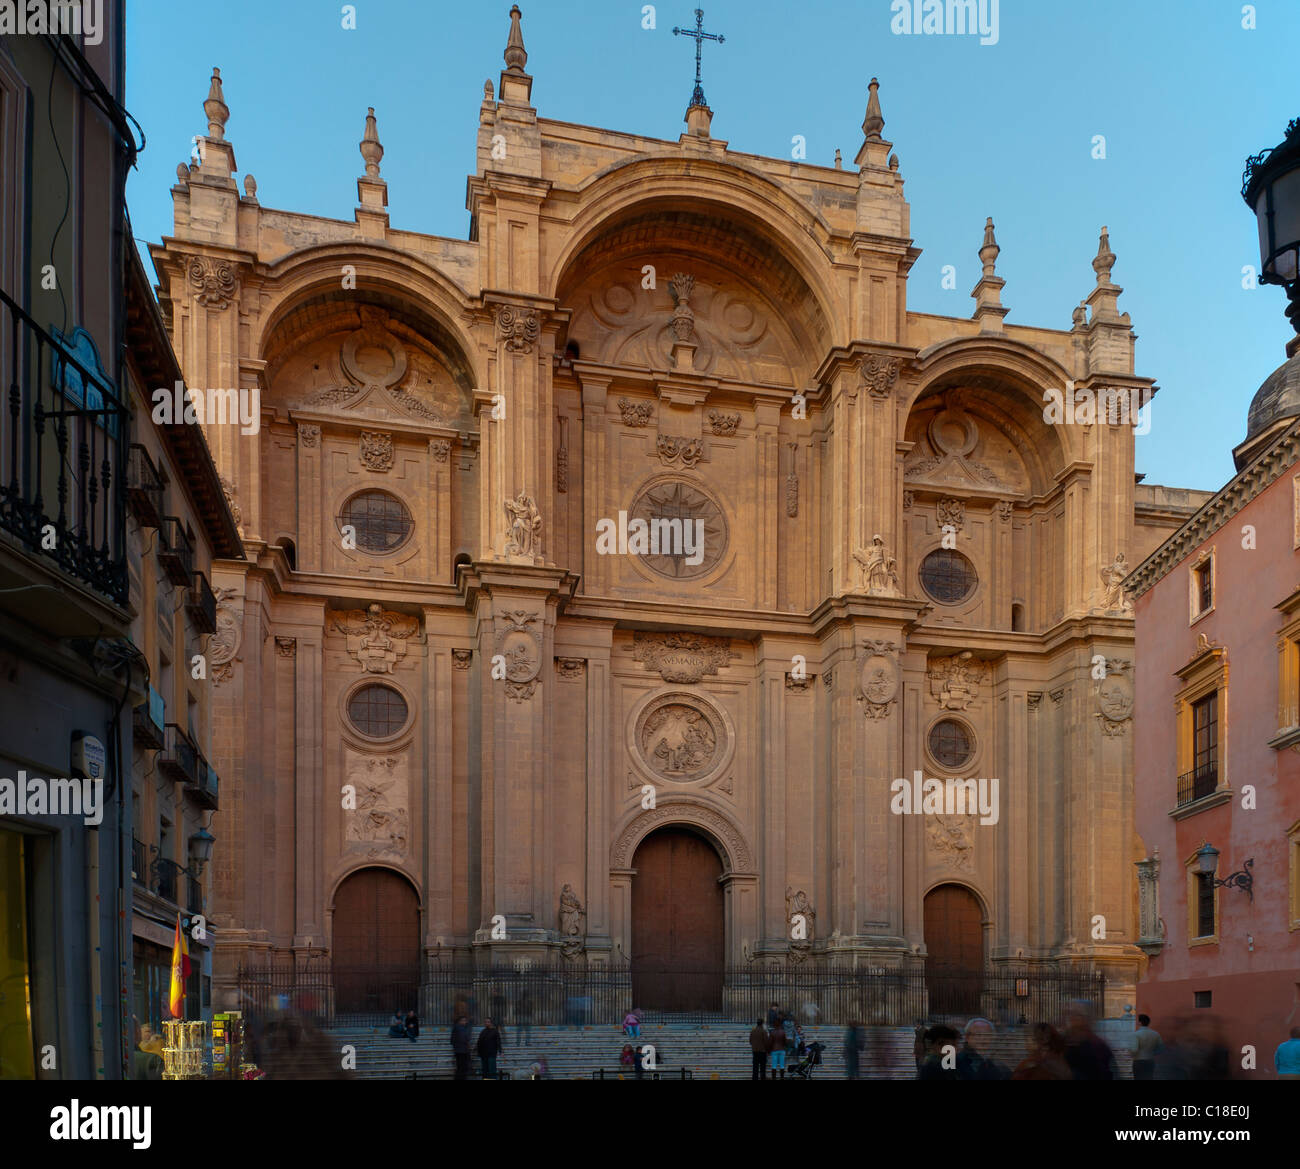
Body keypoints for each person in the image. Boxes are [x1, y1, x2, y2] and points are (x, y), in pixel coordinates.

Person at [1063, 1001, 1116, 1081]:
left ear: (1087, 1019)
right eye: (1069, 1013)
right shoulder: (1062, 1042)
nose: (1071, 1017)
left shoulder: (1098, 1047)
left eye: (1077, 1015)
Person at [1132, 1013, 1162, 1080]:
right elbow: (1161, 1048)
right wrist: (1152, 1053)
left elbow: (1134, 1050)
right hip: (1150, 1060)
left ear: (1139, 1022)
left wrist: (1132, 1055)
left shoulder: (1136, 1034)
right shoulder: (1155, 1034)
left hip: (1138, 1061)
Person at [450, 1014, 471, 1080]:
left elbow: (452, 1040)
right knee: (462, 1067)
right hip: (461, 1051)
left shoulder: (459, 1027)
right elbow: (464, 1038)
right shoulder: (459, 1028)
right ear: (459, 1021)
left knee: (461, 1067)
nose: (465, 1022)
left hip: (461, 1050)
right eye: (463, 1020)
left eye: (465, 1021)